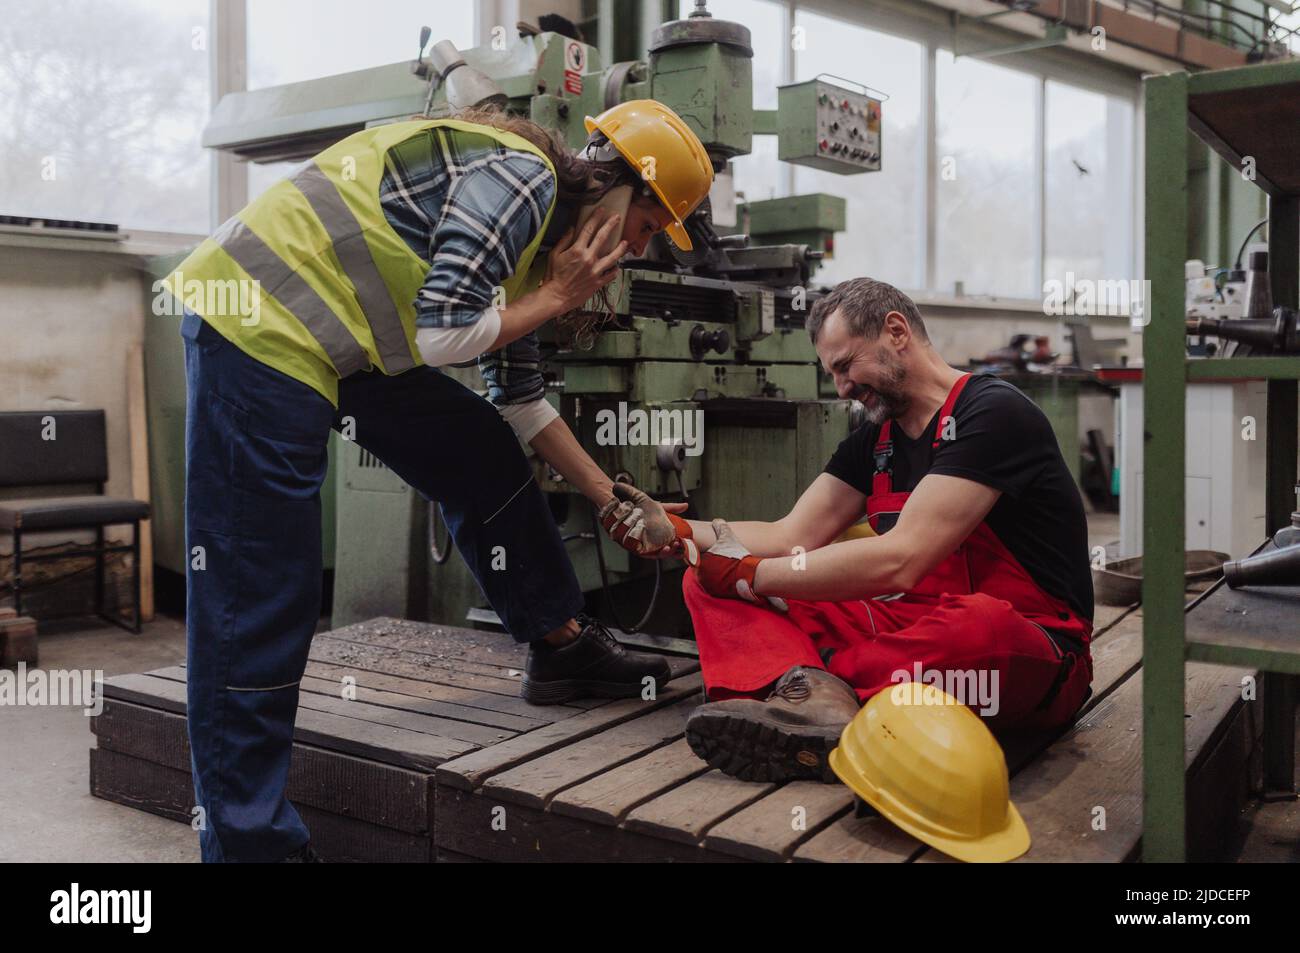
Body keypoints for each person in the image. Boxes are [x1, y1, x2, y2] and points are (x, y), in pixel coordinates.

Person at [166, 100, 713, 861]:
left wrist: (609, 497)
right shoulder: (522, 181)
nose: (636, 248)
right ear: (617, 186)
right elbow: (442, 333)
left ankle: (562, 645)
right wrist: (556, 298)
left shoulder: (535, 240)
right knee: (259, 592)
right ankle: (249, 844)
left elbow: (518, 400)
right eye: (648, 227)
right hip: (257, 323)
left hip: (342, 350)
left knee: (478, 448)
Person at [623, 277, 1095, 784]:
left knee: (979, 630)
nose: (842, 388)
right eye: (833, 374)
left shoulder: (992, 413)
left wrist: (749, 574)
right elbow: (790, 538)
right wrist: (680, 532)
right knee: (701, 581)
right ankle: (826, 704)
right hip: (906, 634)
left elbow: (902, 560)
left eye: (846, 366)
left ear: (896, 331)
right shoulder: (874, 441)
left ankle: (808, 688)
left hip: (1030, 648)